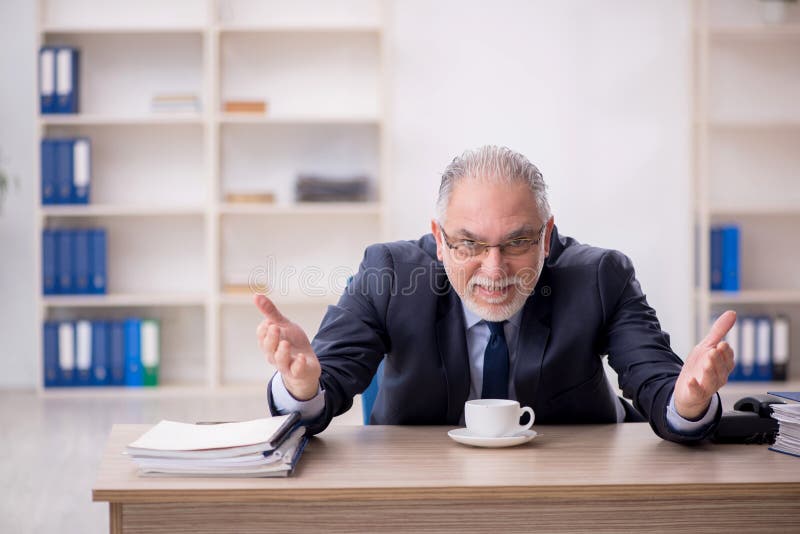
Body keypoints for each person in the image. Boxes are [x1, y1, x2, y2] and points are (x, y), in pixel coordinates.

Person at [255, 145, 735, 443]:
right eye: (469, 243)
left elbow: (660, 388)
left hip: (578, 486)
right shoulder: (390, 273)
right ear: (439, 239)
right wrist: (301, 388)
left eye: (518, 242)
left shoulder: (600, 275)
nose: (494, 268)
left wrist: (687, 401)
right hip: (420, 489)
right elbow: (324, 389)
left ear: (547, 236)